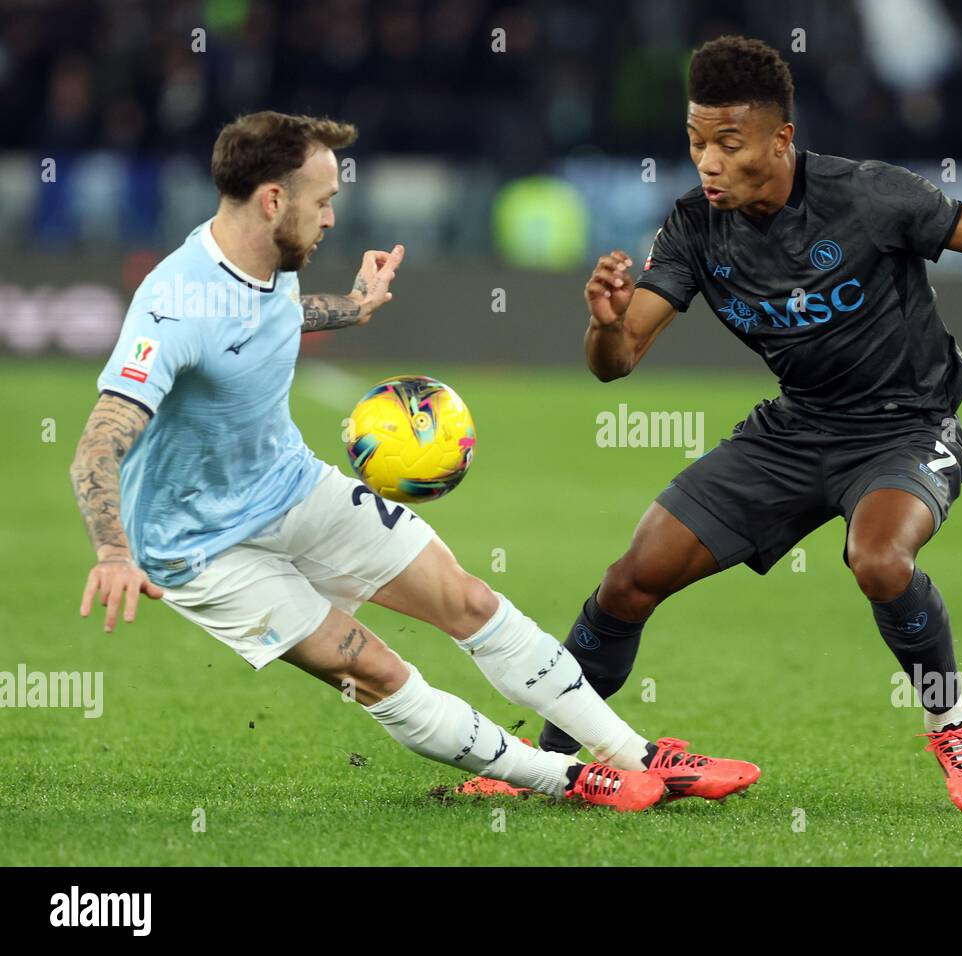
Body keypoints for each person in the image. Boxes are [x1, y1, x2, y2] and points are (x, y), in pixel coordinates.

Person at [520, 36, 962, 813]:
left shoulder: (867, 196)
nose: (709, 163)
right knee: (630, 580)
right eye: (696, 143)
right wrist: (601, 324)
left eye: (729, 143)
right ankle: (550, 758)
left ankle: (950, 723)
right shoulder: (694, 228)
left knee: (880, 562)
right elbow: (616, 361)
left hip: (905, 427)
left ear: (780, 138)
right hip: (792, 433)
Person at [70, 110, 759, 812]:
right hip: (200, 547)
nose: (333, 218)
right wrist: (113, 553)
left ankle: (638, 756)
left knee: (469, 599)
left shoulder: (263, 255)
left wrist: (352, 307)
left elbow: (265, 314)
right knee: (371, 666)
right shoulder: (174, 304)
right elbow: (99, 441)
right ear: (273, 200)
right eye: (324, 200)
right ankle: (572, 779)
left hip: (287, 487)